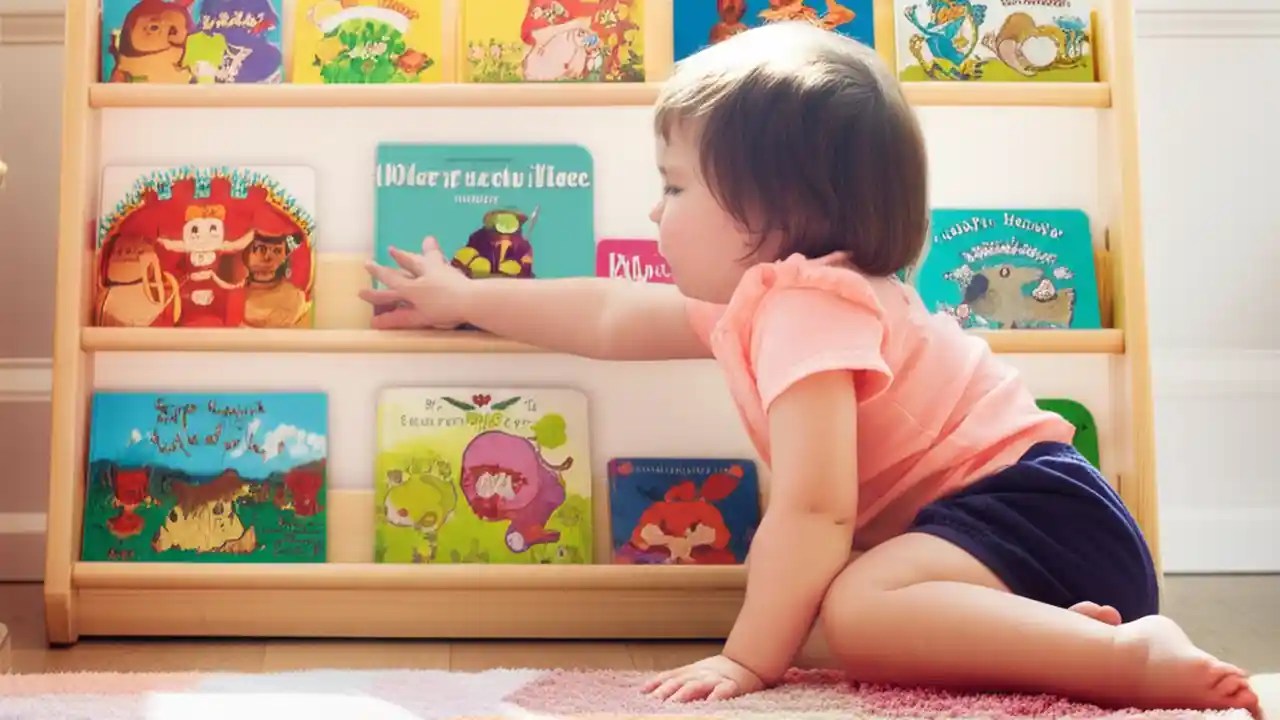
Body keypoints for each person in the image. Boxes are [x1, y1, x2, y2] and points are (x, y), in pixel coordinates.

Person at [361, 21, 1259, 716]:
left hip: (1039, 518)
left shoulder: (807, 306)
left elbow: (817, 506)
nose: (656, 211)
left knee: (854, 612)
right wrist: (465, 297)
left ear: (777, 213)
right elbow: (610, 313)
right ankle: (1058, 637)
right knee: (851, 611)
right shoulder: (773, 301)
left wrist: (747, 658)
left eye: (675, 186)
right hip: (1018, 537)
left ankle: (1124, 656)